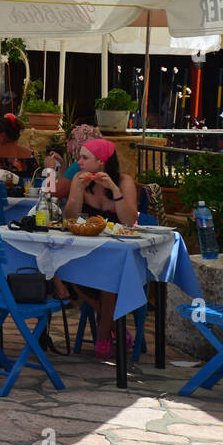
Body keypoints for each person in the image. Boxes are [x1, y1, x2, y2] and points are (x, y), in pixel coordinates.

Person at [60, 138, 140, 358]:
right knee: (63, 268)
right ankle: (114, 327)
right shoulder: (80, 178)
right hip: (86, 252)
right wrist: (77, 191)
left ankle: (104, 335)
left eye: (85, 158)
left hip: (116, 254)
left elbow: (128, 221)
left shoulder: (123, 182)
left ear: (101, 161)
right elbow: (70, 218)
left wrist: (114, 189)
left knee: (109, 278)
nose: (80, 162)